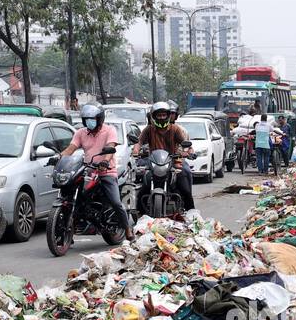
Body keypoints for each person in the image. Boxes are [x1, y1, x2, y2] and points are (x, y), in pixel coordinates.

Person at [60, 103, 130, 239]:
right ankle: (70, 229)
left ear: (100, 119)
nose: (89, 122)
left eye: (92, 119)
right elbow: (70, 149)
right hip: (87, 170)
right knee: (72, 195)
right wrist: (59, 158)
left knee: (115, 202)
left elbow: (111, 147)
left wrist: (105, 161)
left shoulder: (110, 130)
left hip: (106, 171)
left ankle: (127, 229)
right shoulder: (80, 133)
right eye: (86, 119)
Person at [135, 101, 195, 211]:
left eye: (164, 115)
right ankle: (140, 213)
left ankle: (192, 212)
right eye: (159, 115)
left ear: (168, 116)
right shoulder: (149, 129)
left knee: (185, 185)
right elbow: (139, 142)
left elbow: (184, 142)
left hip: (173, 161)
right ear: (154, 116)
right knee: (143, 188)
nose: (162, 117)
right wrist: (135, 150)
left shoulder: (175, 129)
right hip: (154, 162)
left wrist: (190, 151)